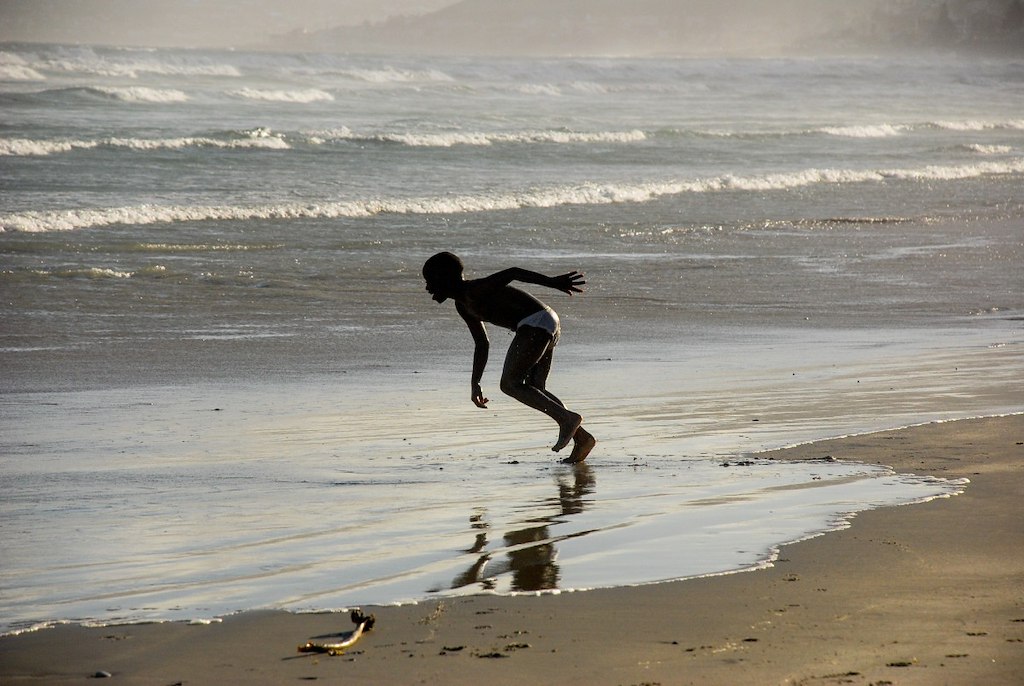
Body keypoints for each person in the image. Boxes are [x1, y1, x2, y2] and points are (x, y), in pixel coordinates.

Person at [422, 252, 596, 464]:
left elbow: (513, 272)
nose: (427, 287)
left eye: (430, 281)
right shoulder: (463, 305)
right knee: (535, 387)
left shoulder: (474, 290)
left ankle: (567, 420)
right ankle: (582, 438)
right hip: (545, 322)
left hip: (536, 322)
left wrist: (553, 282)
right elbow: (482, 343)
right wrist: (475, 382)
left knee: (510, 384)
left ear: (445, 278)